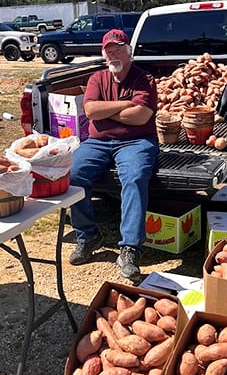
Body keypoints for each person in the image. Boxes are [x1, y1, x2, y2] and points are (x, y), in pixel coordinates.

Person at [68, 29, 159, 280]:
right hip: (97, 142)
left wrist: (105, 111)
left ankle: (130, 247)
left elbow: (141, 116)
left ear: (129, 52)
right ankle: (88, 237)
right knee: (73, 174)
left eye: (119, 50)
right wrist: (126, 105)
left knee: (134, 177)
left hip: (137, 141)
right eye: (109, 51)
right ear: (104, 54)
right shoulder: (97, 78)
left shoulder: (145, 79)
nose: (114, 55)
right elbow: (90, 110)